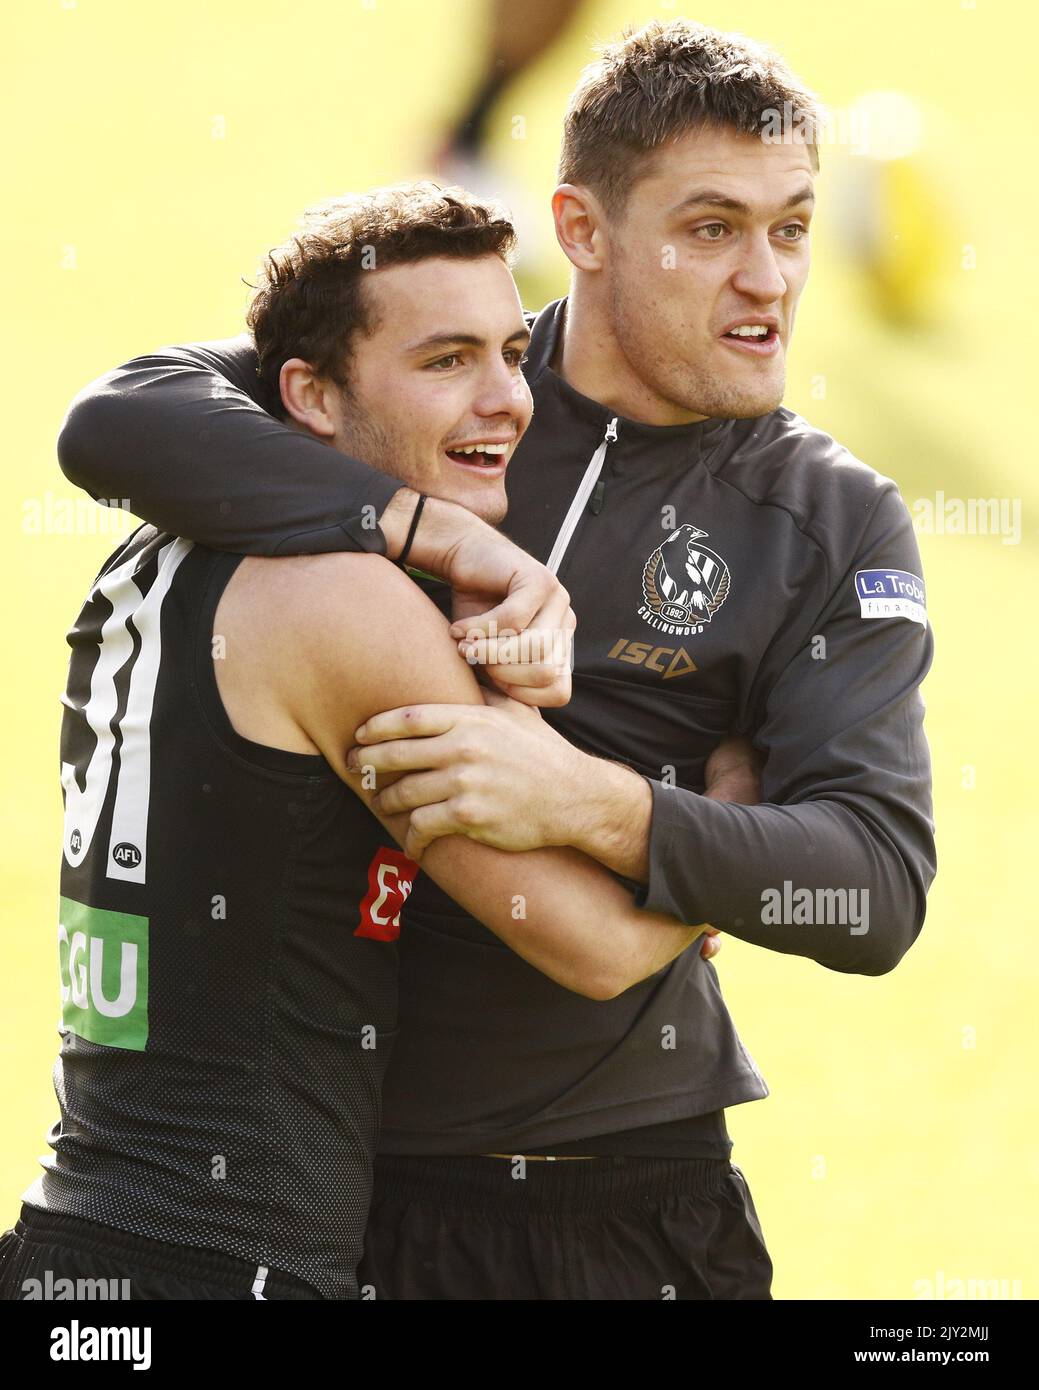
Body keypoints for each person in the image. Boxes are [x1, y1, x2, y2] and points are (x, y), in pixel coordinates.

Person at [55, 20, 935, 1301]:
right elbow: (120, 418)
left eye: (791, 227)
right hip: (347, 1202)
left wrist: (603, 804)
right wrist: (425, 530)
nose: (767, 281)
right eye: (710, 229)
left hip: (630, 1199)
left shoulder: (832, 520)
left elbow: (873, 888)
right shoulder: (444, 391)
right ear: (579, 228)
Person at [0, 185, 738, 1303]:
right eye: (444, 361)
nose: (504, 400)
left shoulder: (163, 546)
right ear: (307, 396)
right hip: (227, 1261)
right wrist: (725, 828)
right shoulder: (347, 605)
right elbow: (592, 947)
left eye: (509, 351)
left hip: (82, 1250)